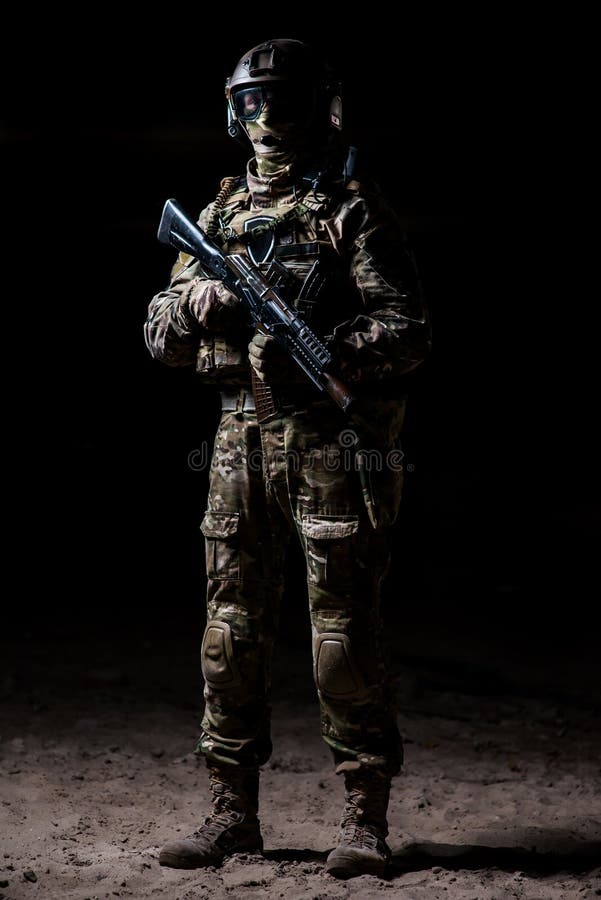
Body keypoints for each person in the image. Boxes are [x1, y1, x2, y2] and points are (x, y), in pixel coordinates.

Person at [144, 38, 430, 879]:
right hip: (239, 443)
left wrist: (328, 350)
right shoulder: (221, 216)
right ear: (233, 110)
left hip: (331, 451)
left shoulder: (351, 210)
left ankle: (362, 818)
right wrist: (198, 304)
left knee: (341, 633)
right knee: (229, 631)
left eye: (283, 101)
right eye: (252, 102)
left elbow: (408, 330)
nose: (266, 118)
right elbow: (157, 334)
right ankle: (231, 813)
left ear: (319, 108)